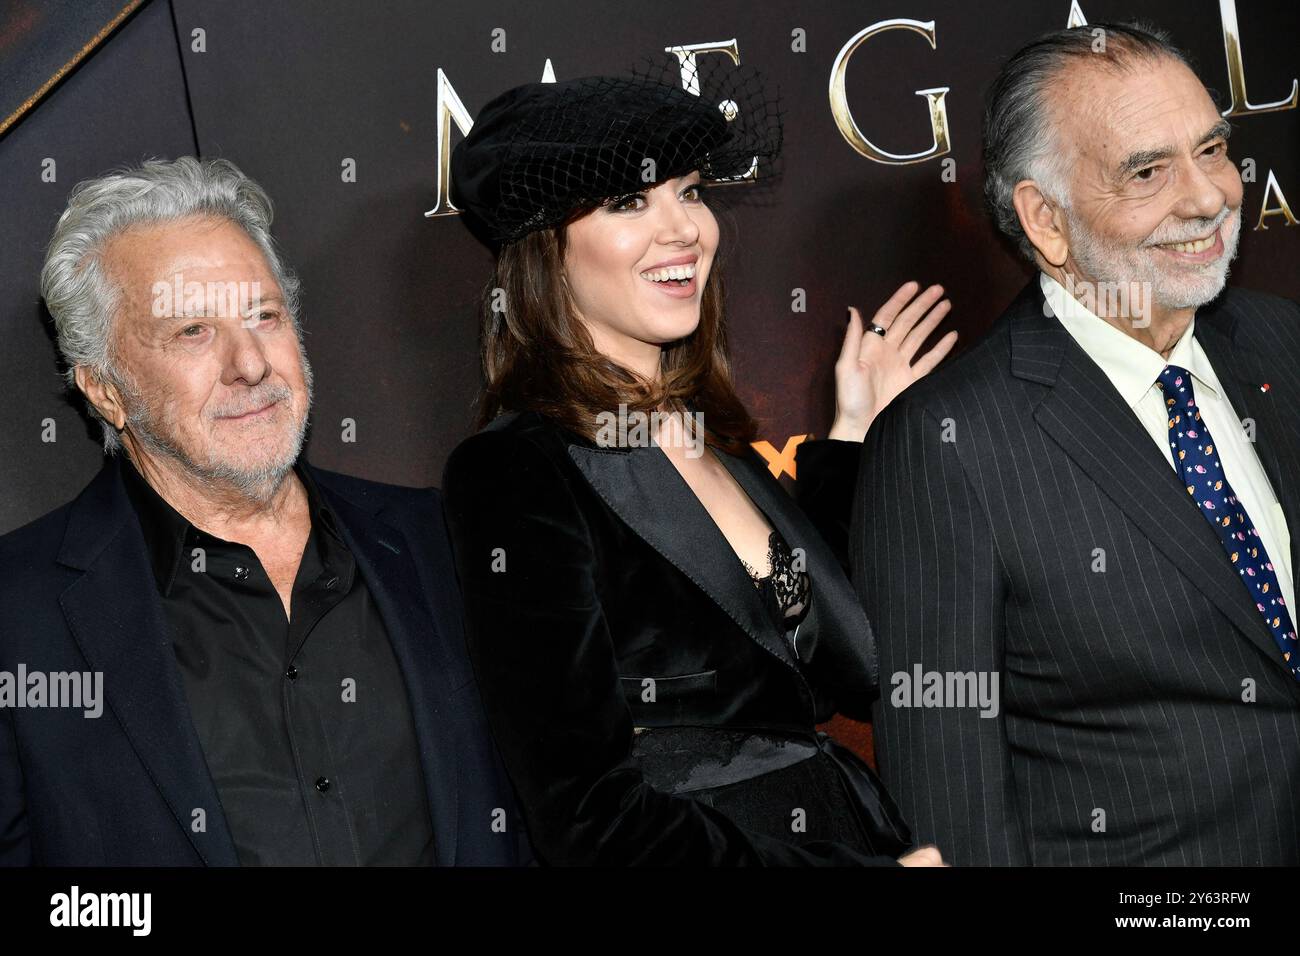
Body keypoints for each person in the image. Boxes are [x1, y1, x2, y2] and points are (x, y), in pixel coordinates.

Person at [440, 62, 956, 865]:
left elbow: (823, 660)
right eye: (628, 201)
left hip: (857, 826)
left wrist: (853, 432)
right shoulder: (516, 474)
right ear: (546, 250)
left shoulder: (712, 443)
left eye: (689, 190)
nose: (684, 228)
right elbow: (589, 821)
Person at [0, 157, 527, 866]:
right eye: (192, 331)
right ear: (105, 389)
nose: (250, 364)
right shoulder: (20, 615)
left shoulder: (439, 539)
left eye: (263, 315)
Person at [860, 22, 1300, 865]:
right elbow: (950, 807)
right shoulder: (948, 446)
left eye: (1212, 149)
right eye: (1147, 171)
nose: (1209, 196)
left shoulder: (1281, 343)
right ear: (1047, 222)